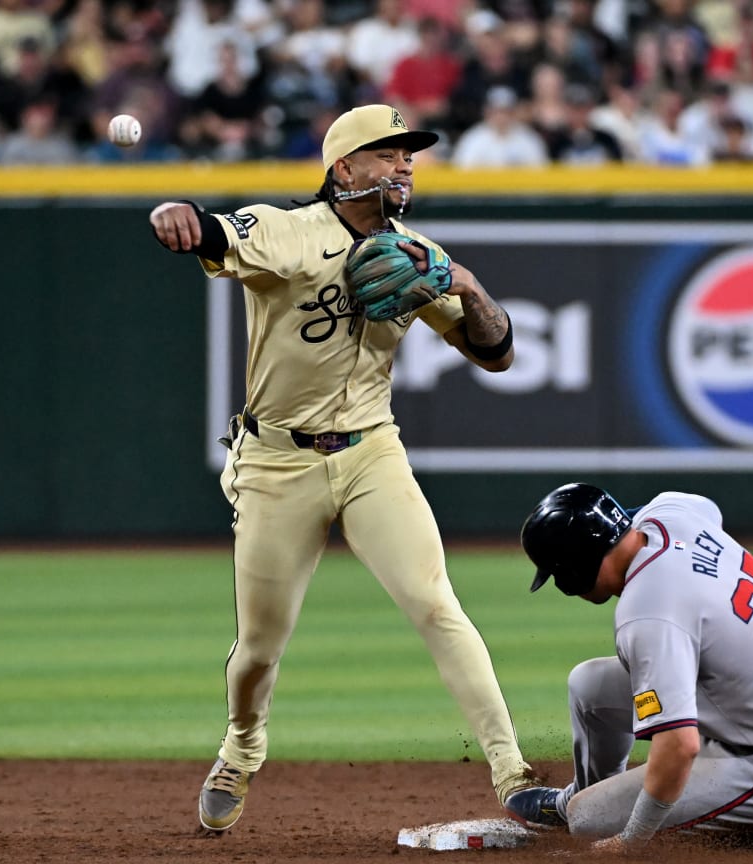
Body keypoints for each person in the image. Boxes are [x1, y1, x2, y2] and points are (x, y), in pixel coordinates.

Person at [147, 103, 541, 833]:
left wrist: (471, 286)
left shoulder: (416, 253)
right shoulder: (290, 232)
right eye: (386, 153)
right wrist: (178, 213)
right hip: (276, 460)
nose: (404, 164)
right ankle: (242, 744)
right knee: (259, 648)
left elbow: (496, 353)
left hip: (370, 451)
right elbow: (211, 231)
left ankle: (512, 771)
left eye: (408, 153)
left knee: (434, 602)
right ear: (344, 169)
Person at [506, 484, 753, 851]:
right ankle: (584, 795)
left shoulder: (647, 610)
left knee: (588, 820)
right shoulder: (674, 511)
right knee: (590, 687)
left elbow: (679, 746)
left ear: (573, 573)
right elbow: (701, 509)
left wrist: (630, 842)